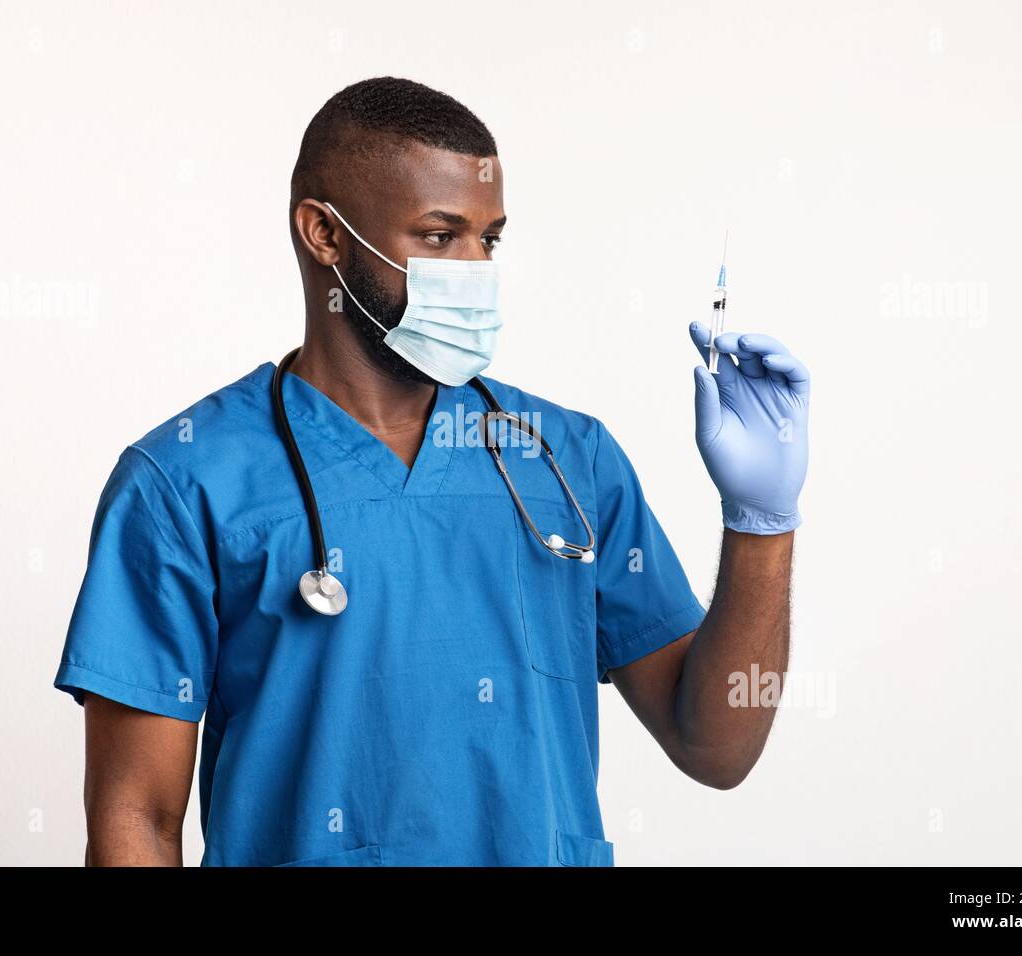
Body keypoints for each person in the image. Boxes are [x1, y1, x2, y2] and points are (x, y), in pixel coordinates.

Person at [54, 76, 811, 867]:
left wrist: (762, 522)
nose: (476, 269)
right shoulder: (184, 480)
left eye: (491, 239)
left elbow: (717, 749)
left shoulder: (566, 459)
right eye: (441, 236)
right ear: (325, 234)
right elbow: (137, 816)